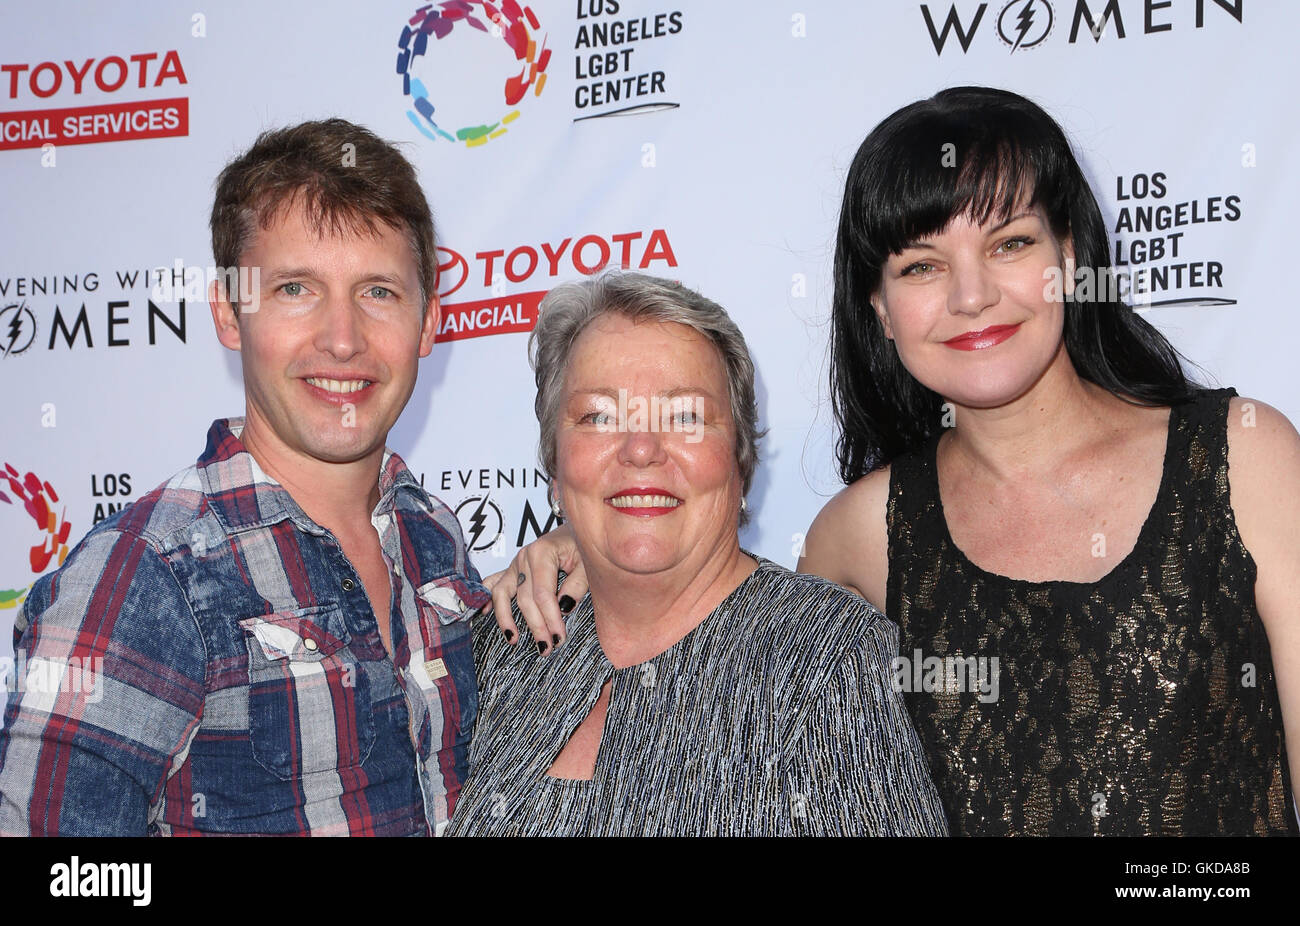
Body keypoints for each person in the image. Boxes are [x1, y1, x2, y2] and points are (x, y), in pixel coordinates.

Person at [492, 87, 1299, 836]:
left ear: (1072, 254)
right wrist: (589, 547)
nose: (971, 295)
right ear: (878, 305)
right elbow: (730, 634)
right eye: (921, 265)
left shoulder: (1242, 456)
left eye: (1010, 242)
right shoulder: (860, 534)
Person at [0, 119, 488, 835]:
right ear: (230, 313)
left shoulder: (432, 536)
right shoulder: (147, 572)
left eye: (379, 292)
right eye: (296, 289)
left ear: (428, 323)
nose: (344, 338)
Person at [445, 272, 946, 836]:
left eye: (684, 416)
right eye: (599, 416)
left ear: (739, 460)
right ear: (554, 467)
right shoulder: (505, 643)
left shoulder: (824, 661)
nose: (640, 449)